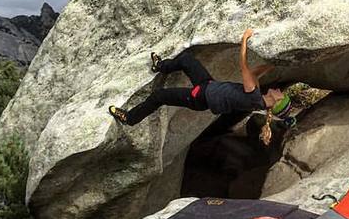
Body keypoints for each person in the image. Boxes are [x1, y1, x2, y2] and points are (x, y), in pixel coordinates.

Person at [108, 29, 291, 143]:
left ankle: (130, 118)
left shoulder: (253, 97)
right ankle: (161, 66)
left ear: (276, 102)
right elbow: (254, 74)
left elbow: (244, 67)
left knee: (159, 97)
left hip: (199, 97)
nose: (278, 90)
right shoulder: (257, 97)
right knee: (187, 60)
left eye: (281, 93)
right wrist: (273, 64)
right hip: (208, 85)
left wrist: (244, 40)